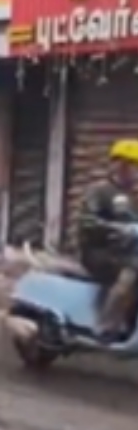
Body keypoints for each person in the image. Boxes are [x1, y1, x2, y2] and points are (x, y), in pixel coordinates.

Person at [78, 139, 138, 338]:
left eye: (134, 165)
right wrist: (118, 229)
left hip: (126, 252)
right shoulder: (100, 191)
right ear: (116, 164)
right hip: (99, 252)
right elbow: (87, 221)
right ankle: (106, 324)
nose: (131, 170)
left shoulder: (134, 195)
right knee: (133, 271)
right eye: (127, 164)